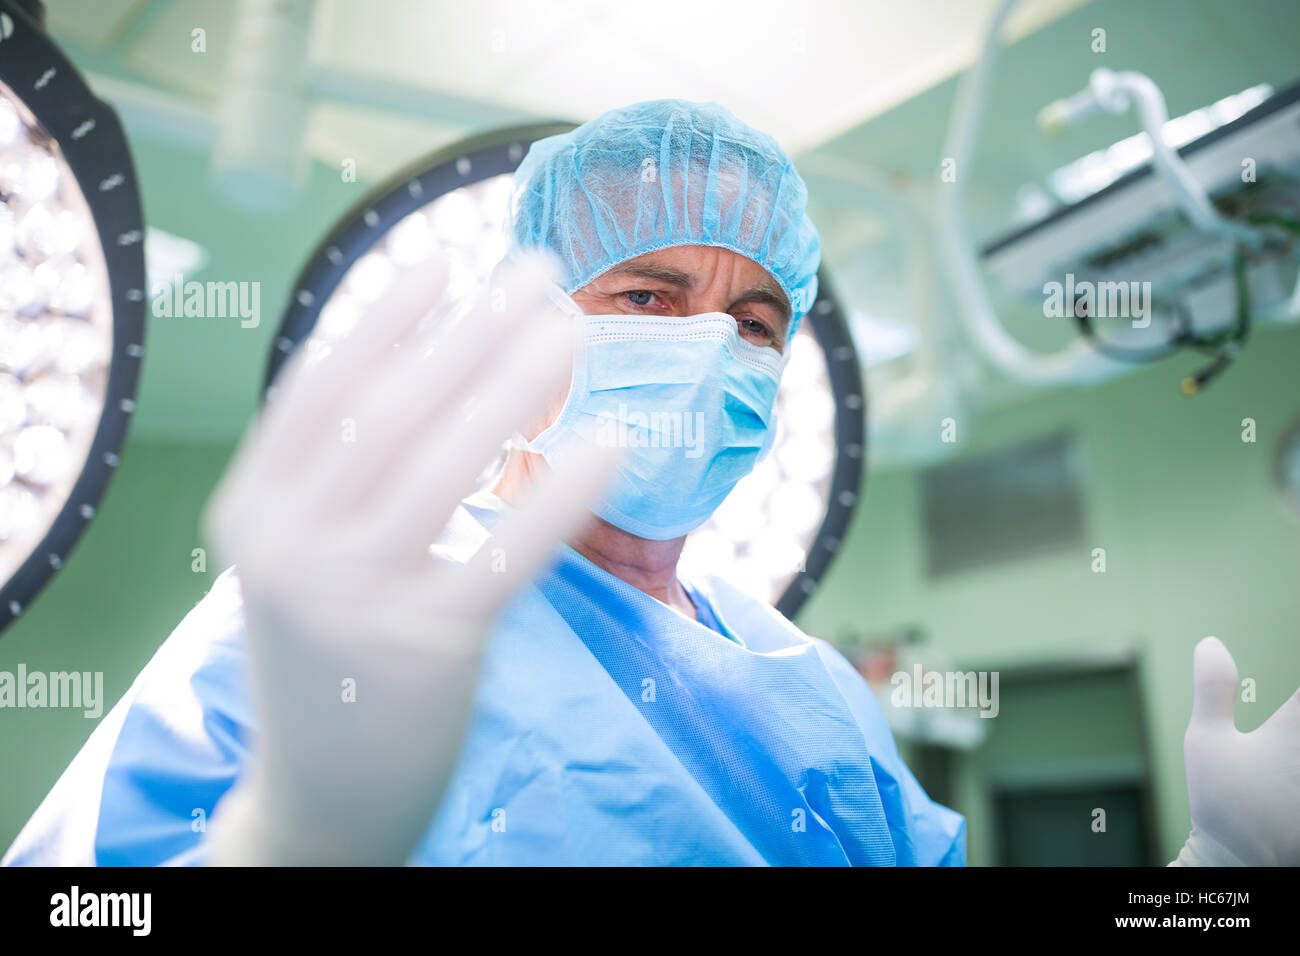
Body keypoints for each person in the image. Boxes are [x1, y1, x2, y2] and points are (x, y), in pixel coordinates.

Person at [4, 100, 1295, 867]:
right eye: (646, 296)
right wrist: (291, 843)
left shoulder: (817, 695)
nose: (709, 347)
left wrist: (1218, 875)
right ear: (530, 323)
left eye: (755, 319)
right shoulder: (352, 613)